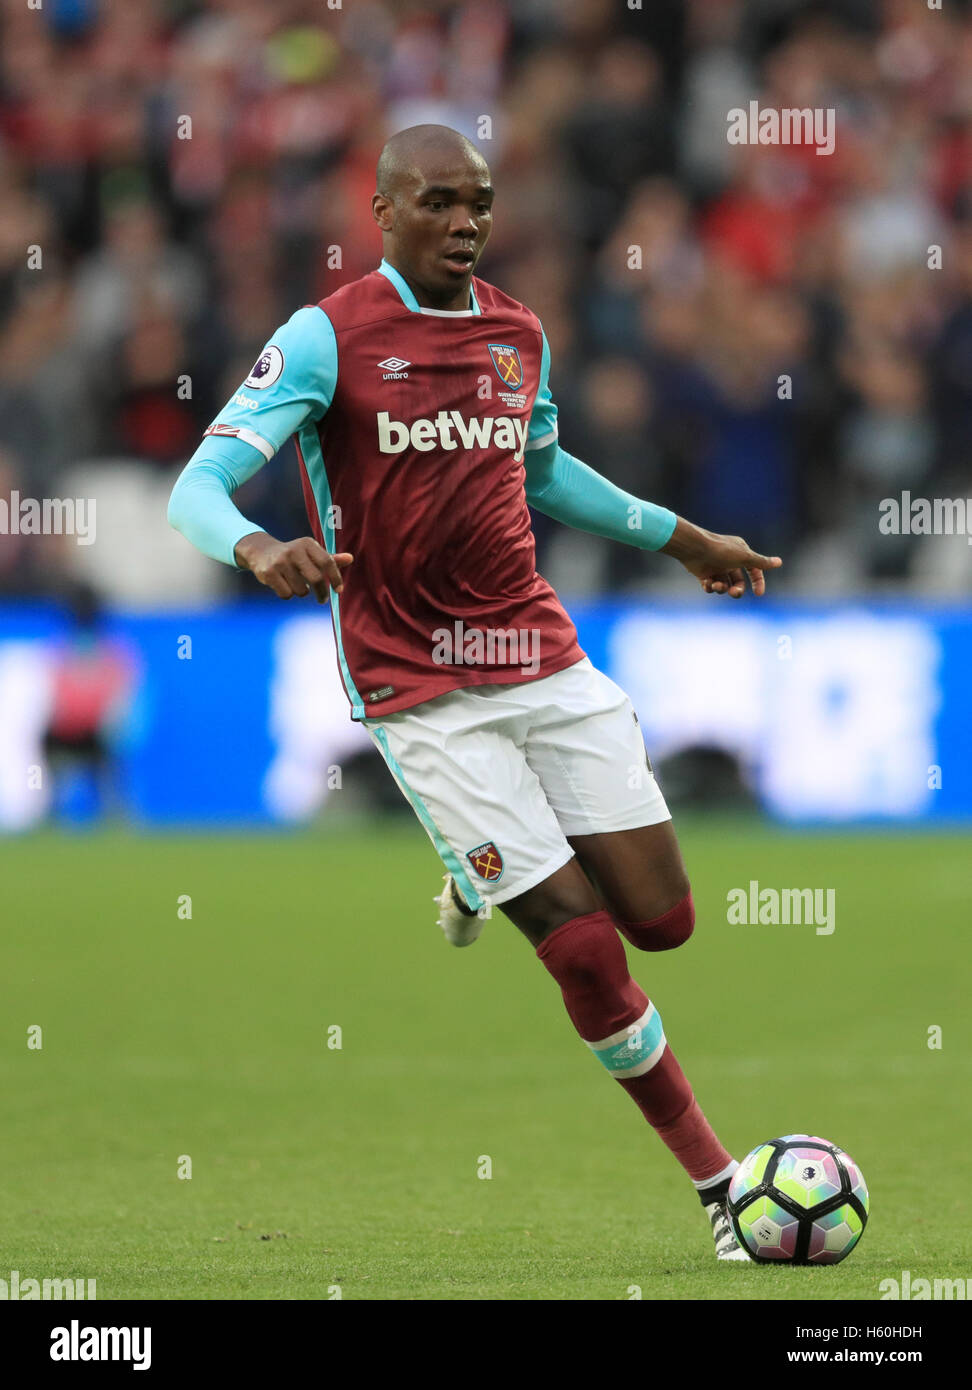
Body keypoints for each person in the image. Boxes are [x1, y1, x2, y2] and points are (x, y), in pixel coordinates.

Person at [168, 125, 782, 1262]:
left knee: (667, 921)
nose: (464, 222)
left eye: (480, 203)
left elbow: (542, 468)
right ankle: (718, 1189)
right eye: (440, 201)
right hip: (417, 685)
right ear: (384, 210)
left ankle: (477, 862)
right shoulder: (326, 337)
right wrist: (259, 550)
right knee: (590, 952)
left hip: (541, 657)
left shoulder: (516, 331)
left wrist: (681, 536)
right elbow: (198, 484)